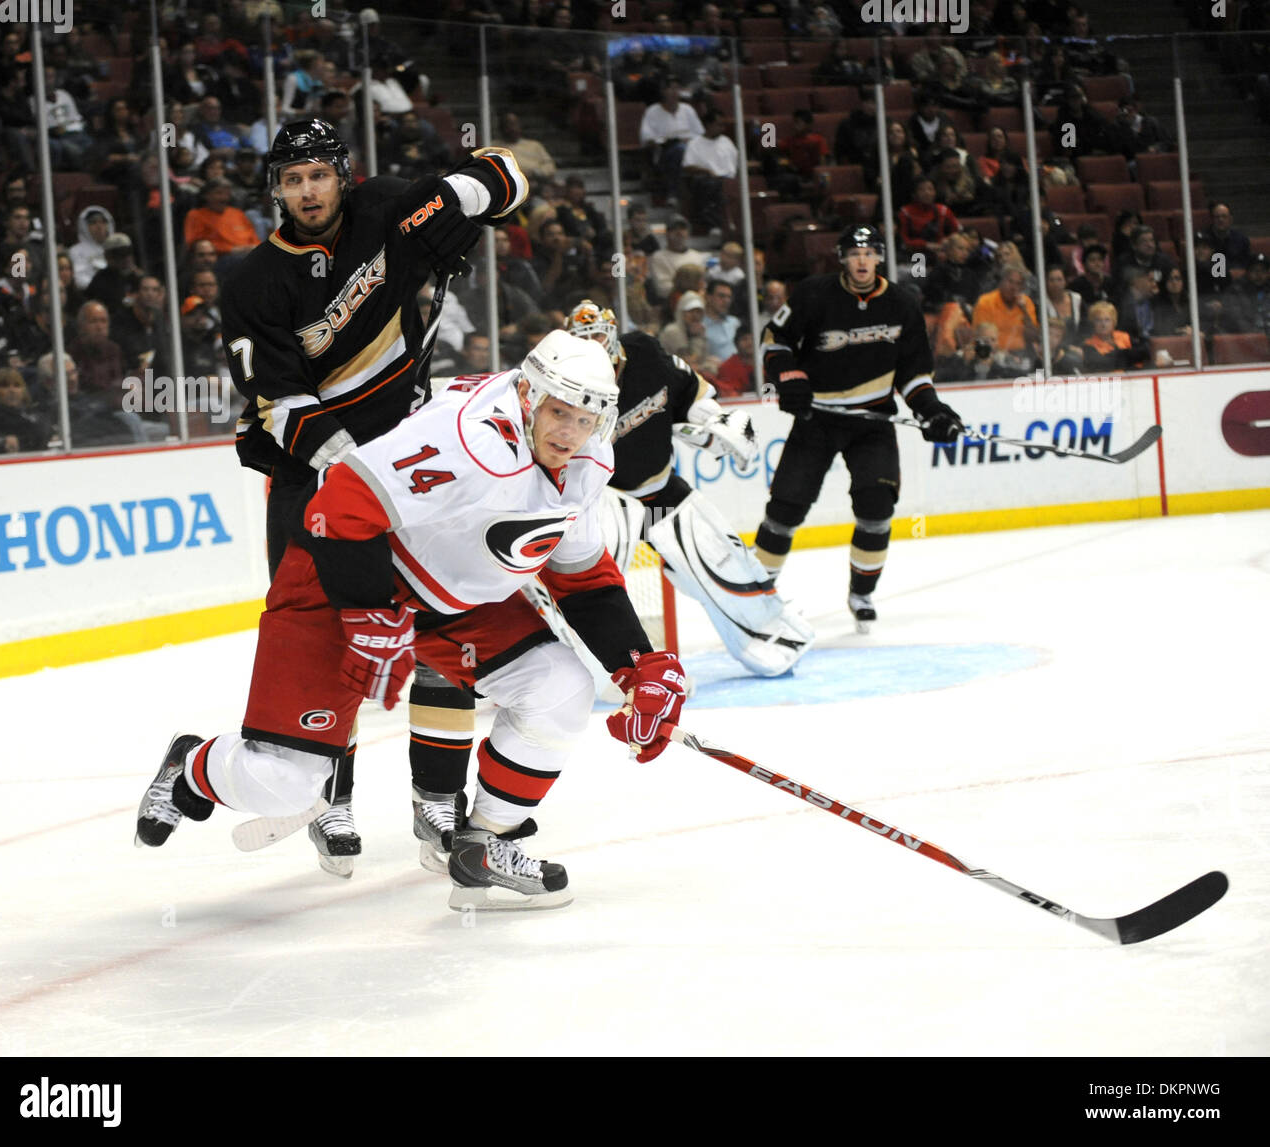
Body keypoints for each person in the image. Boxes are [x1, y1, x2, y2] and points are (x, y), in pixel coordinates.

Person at [136, 332, 688, 910]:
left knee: (561, 689)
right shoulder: (468, 441)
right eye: (557, 413)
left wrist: (637, 666)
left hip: (449, 598)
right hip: (338, 578)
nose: (568, 433)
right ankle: (192, 767)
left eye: (583, 419)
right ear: (527, 393)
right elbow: (336, 509)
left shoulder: (589, 458)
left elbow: (579, 575)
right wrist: (370, 611)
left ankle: (481, 849)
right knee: (282, 784)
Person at [218, 118, 529, 878]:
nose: (306, 191)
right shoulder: (254, 281)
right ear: (277, 192)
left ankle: (436, 797)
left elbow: (507, 176)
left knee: (444, 624)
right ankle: (331, 795)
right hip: (314, 480)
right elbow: (280, 405)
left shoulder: (388, 209)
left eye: (317, 175)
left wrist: (463, 202)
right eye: (291, 181)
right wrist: (365, 477)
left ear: (342, 174)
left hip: (415, 462)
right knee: (329, 638)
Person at [564, 300, 813, 676]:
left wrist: (718, 424)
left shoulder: (644, 354)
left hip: (659, 495)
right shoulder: (564, 387)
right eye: (583, 340)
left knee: (724, 561)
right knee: (596, 593)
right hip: (603, 507)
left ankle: (770, 638)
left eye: (598, 335)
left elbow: (688, 393)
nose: (593, 346)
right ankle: (592, 671)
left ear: (613, 335)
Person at [752, 225, 963, 632]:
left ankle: (861, 593)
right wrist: (790, 377)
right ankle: (756, 593)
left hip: (873, 422)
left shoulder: (903, 303)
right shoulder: (815, 294)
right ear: (842, 258)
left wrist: (931, 410)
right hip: (817, 419)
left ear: (880, 258)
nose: (862, 260)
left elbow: (914, 373)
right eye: (854, 253)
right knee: (785, 508)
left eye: (869, 253)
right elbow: (775, 339)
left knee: (877, 508)